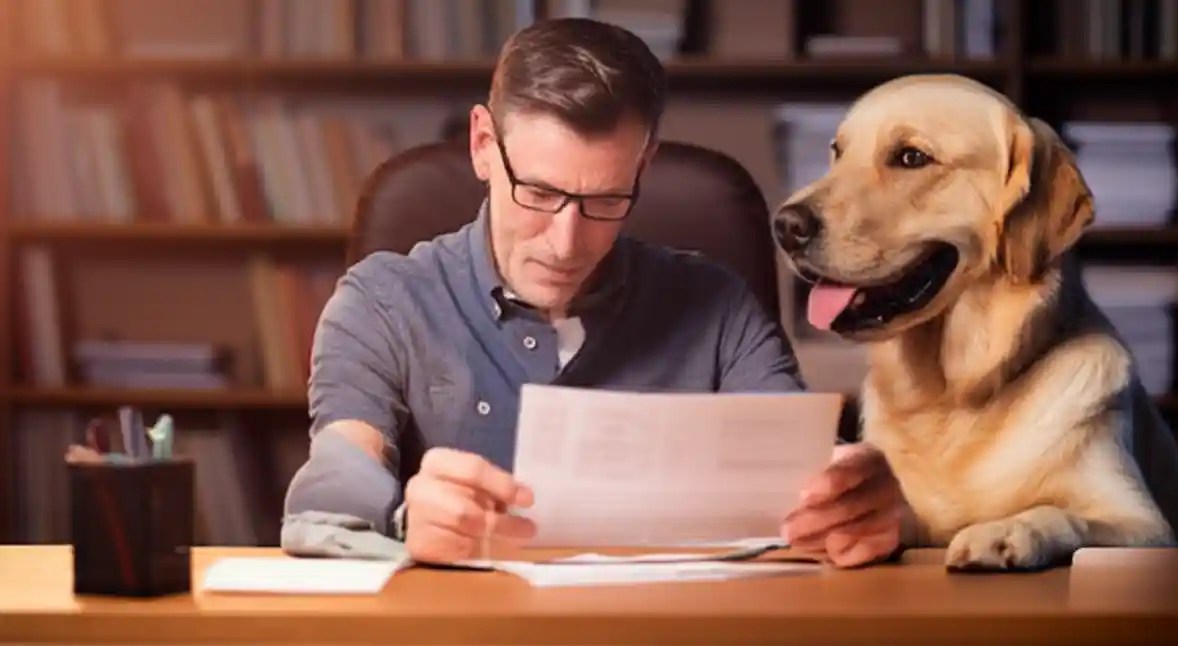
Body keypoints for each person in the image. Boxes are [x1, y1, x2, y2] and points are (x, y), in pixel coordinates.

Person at [282, 17, 907, 568]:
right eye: (539, 192)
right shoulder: (381, 303)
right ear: (482, 146)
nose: (565, 241)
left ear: (644, 165)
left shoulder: (717, 305)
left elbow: (806, 475)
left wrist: (855, 500)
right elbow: (328, 508)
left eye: (606, 200)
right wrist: (406, 524)